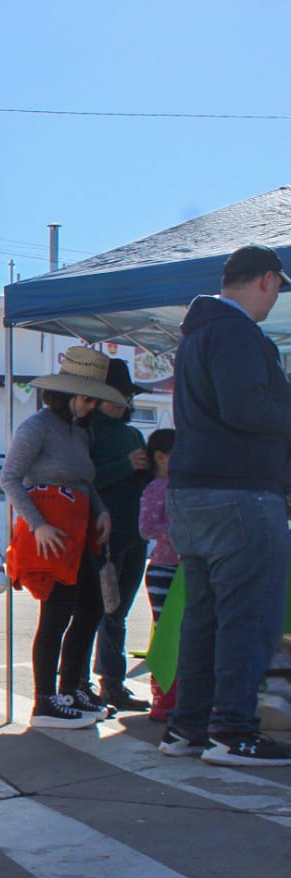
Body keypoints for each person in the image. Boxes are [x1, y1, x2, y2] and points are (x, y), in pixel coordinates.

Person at [162, 244, 291, 767]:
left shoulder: (197, 335)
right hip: (240, 492)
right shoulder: (238, 332)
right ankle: (232, 731)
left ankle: (188, 728)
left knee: (205, 616)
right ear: (266, 279)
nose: (275, 301)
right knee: (248, 615)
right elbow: (247, 408)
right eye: (278, 289)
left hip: (194, 493)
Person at [1, 347, 121, 728]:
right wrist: (37, 524)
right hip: (49, 538)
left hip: (78, 535)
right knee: (55, 614)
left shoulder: (79, 432)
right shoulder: (37, 427)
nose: (90, 407)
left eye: (93, 400)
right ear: (67, 394)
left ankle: (71, 688)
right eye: (86, 399)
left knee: (91, 608)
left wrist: (100, 510)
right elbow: (10, 478)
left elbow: (85, 481)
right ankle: (45, 700)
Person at [81, 358, 152, 712]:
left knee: (118, 612)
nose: (120, 400)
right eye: (115, 393)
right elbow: (86, 481)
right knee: (95, 610)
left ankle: (112, 683)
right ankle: (81, 682)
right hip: (101, 534)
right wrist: (127, 465)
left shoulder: (132, 433)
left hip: (135, 533)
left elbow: (143, 483)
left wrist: (149, 468)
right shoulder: (87, 431)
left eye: (124, 394)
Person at [138, 429, 178, 721]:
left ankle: (178, 695)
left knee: (184, 634)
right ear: (161, 457)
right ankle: (162, 697)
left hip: (185, 571)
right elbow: (147, 528)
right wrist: (180, 533)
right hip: (164, 570)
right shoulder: (157, 488)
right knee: (166, 634)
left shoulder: (181, 487)